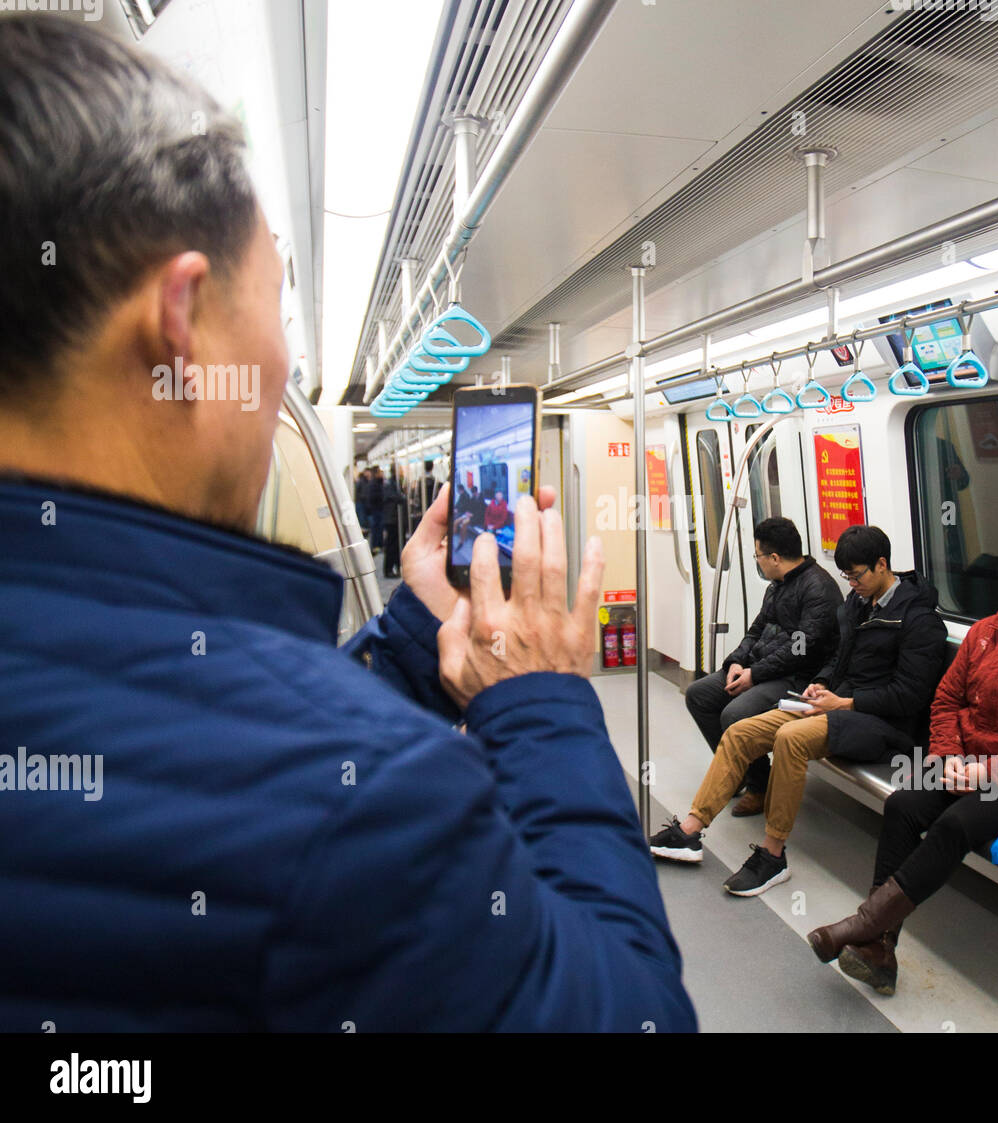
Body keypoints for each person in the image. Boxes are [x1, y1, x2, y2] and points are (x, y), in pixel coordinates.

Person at [0, 16, 694, 1033]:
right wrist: (539, 698)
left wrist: (414, 634)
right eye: (275, 300)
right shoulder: (358, 799)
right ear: (184, 324)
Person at [806, 540, 998, 994]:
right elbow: (946, 700)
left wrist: (987, 773)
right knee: (904, 804)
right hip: (961, 761)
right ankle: (879, 947)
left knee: (954, 823)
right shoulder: (984, 633)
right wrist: (946, 758)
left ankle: (864, 926)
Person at [652, 525, 948, 896]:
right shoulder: (859, 604)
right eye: (846, 576)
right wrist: (823, 683)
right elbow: (839, 658)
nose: (850, 584)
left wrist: (845, 702)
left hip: (883, 723)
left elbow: (909, 696)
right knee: (741, 731)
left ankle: (773, 855)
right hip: (838, 704)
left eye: (855, 576)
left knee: (790, 738)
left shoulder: (919, 621)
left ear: (882, 565)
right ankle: (690, 832)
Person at [681, 517, 842, 817]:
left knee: (735, 714)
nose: (758, 561)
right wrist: (737, 661)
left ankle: (759, 785)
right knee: (699, 694)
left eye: (758, 556)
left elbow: (801, 649)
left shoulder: (818, 590)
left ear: (775, 558)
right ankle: (739, 770)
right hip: (762, 669)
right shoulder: (777, 586)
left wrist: (755, 675)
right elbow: (756, 630)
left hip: (798, 678)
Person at [381, 468, 407, 579]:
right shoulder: (390, 484)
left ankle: (395, 566)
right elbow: (395, 498)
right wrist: (402, 497)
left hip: (396, 518)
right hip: (392, 519)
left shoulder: (396, 483)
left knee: (396, 544)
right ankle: (388, 569)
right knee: (391, 545)